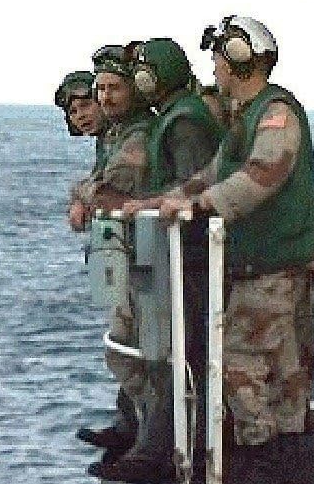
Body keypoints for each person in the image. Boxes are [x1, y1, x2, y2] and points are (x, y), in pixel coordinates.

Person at [134, 15, 314, 484]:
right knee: (283, 364)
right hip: (265, 261)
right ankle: (284, 452)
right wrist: (165, 200)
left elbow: (264, 174)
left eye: (219, 57)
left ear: (240, 59)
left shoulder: (275, 112)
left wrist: (200, 207)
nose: (214, 67)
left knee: (239, 360)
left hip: (276, 263)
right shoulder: (246, 116)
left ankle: (262, 453)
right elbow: (215, 173)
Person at [97, 38, 225, 484]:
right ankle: (154, 440)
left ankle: (161, 448)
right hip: (175, 252)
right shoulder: (176, 117)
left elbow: (190, 186)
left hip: (184, 253)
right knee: (165, 350)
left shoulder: (185, 122)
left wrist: (148, 208)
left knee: (174, 352)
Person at [70, 46, 156, 478]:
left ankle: (147, 438)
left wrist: (82, 194)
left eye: (112, 88)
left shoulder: (138, 134)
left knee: (137, 350)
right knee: (127, 346)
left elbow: (112, 187)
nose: (103, 99)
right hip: (127, 255)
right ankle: (131, 429)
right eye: (98, 89)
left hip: (146, 257)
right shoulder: (117, 136)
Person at [56, 70, 108, 233]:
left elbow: (109, 190)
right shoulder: (105, 141)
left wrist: (79, 194)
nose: (80, 116)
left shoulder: (124, 136)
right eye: (73, 111)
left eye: (85, 105)